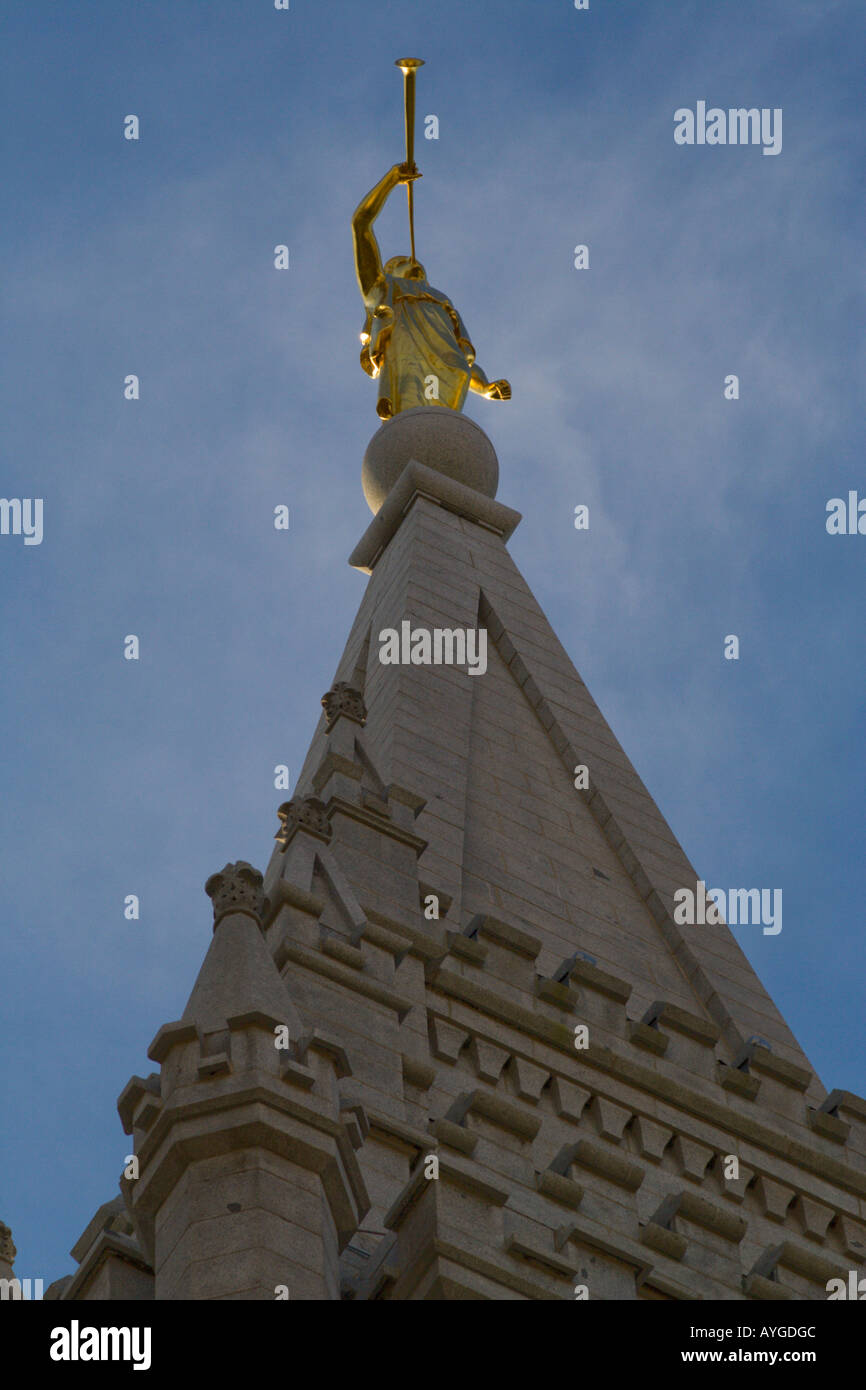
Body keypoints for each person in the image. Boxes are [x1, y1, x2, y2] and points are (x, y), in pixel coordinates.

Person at [352, 163, 511, 420]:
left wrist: (486, 388)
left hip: (446, 358)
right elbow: (361, 225)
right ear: (389, 271)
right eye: (401, 262)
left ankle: (440, 436)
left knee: (458, 371)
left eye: (413, 260)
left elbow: (464, 359)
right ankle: (401, 423)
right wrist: (391, 180)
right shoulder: (385, 289)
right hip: (405, 354)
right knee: (408, 383)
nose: (412, 262)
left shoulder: (441, 300)